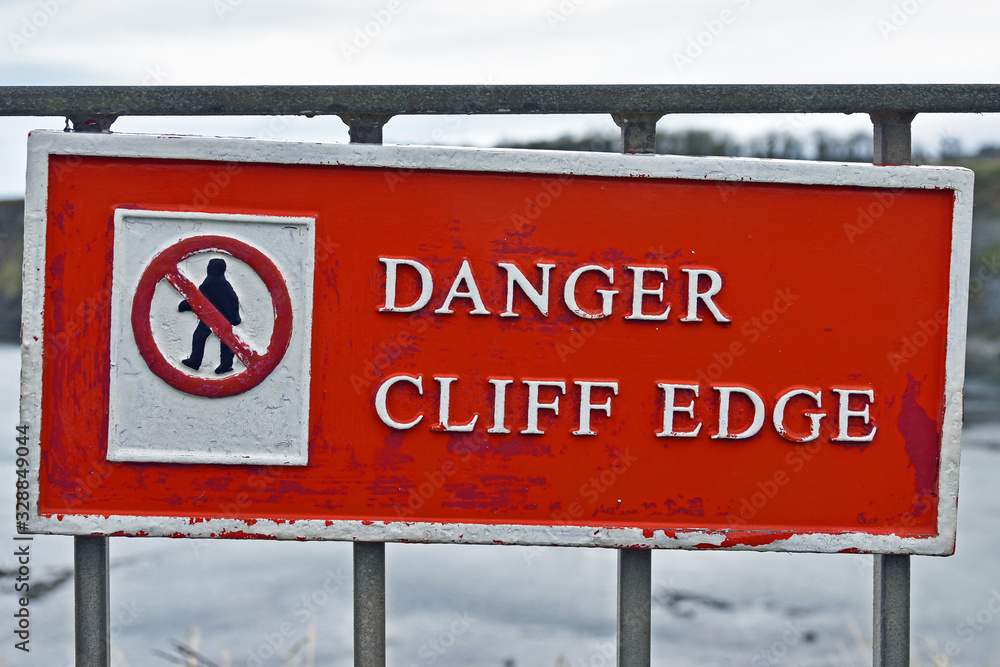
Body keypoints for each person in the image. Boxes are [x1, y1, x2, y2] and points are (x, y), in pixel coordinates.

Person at [179, 257, 242, 374]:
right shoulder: (225, 284)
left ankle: (195, 361)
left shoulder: (209, 283)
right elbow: (233, 299)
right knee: (226, 340)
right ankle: (226, 364)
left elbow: (198, 300)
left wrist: (184, 305)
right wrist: (235, 316)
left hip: (213, 318)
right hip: (224, 318)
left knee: (199, 336)